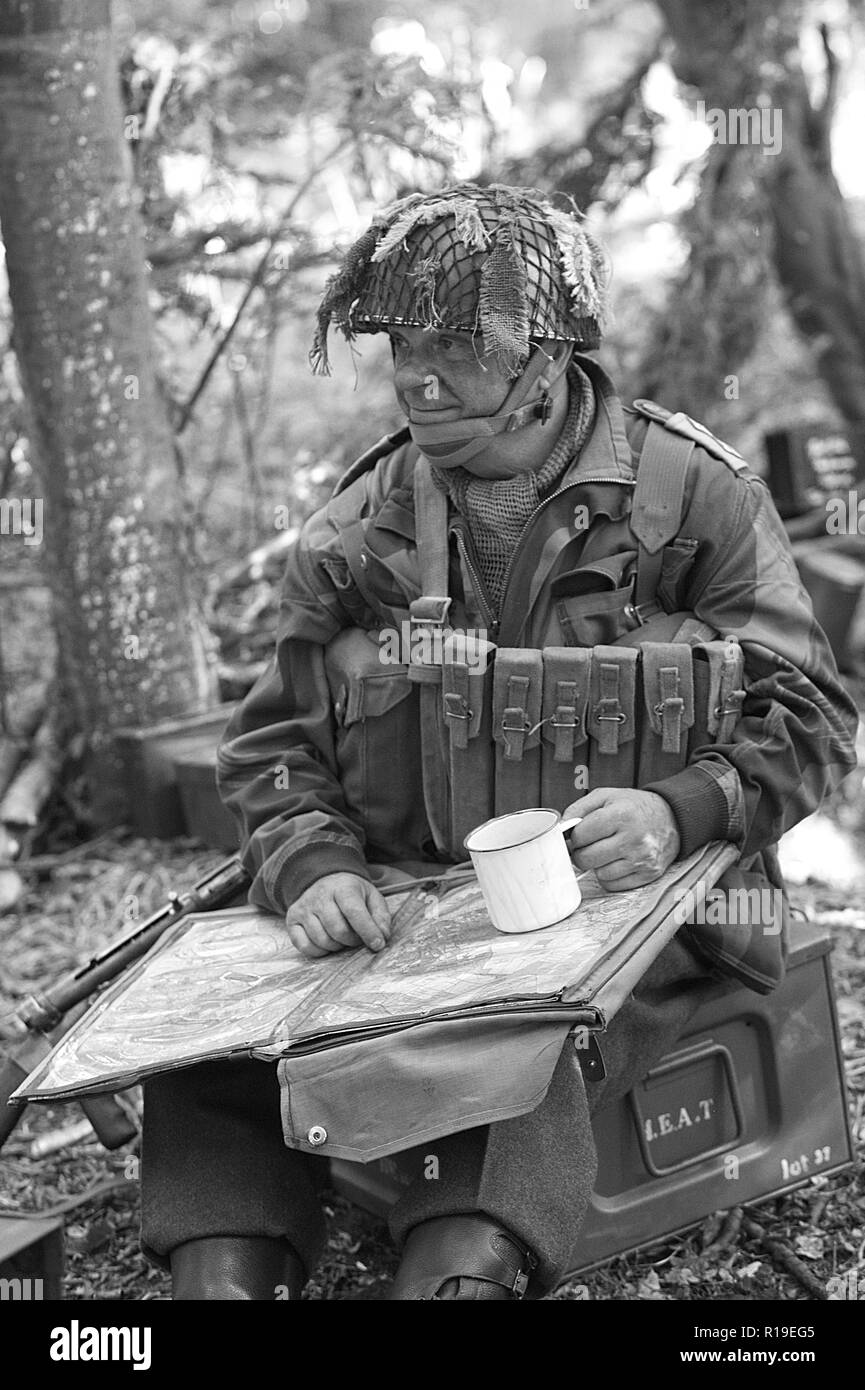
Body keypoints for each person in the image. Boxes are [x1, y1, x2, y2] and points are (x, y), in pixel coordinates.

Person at [140, 182, 858, 1300]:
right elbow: (269, 743)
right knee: (217, 1055)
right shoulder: (355, 533)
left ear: (549, 351)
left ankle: (458, 1276)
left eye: (461, 345)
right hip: (400, 911)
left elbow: (813, 714)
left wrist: (683, 809)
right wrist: (315, 866)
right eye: (402, 345)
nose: (420, 374)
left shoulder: (690, 498)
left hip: (632, 922)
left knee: (498, 1057)